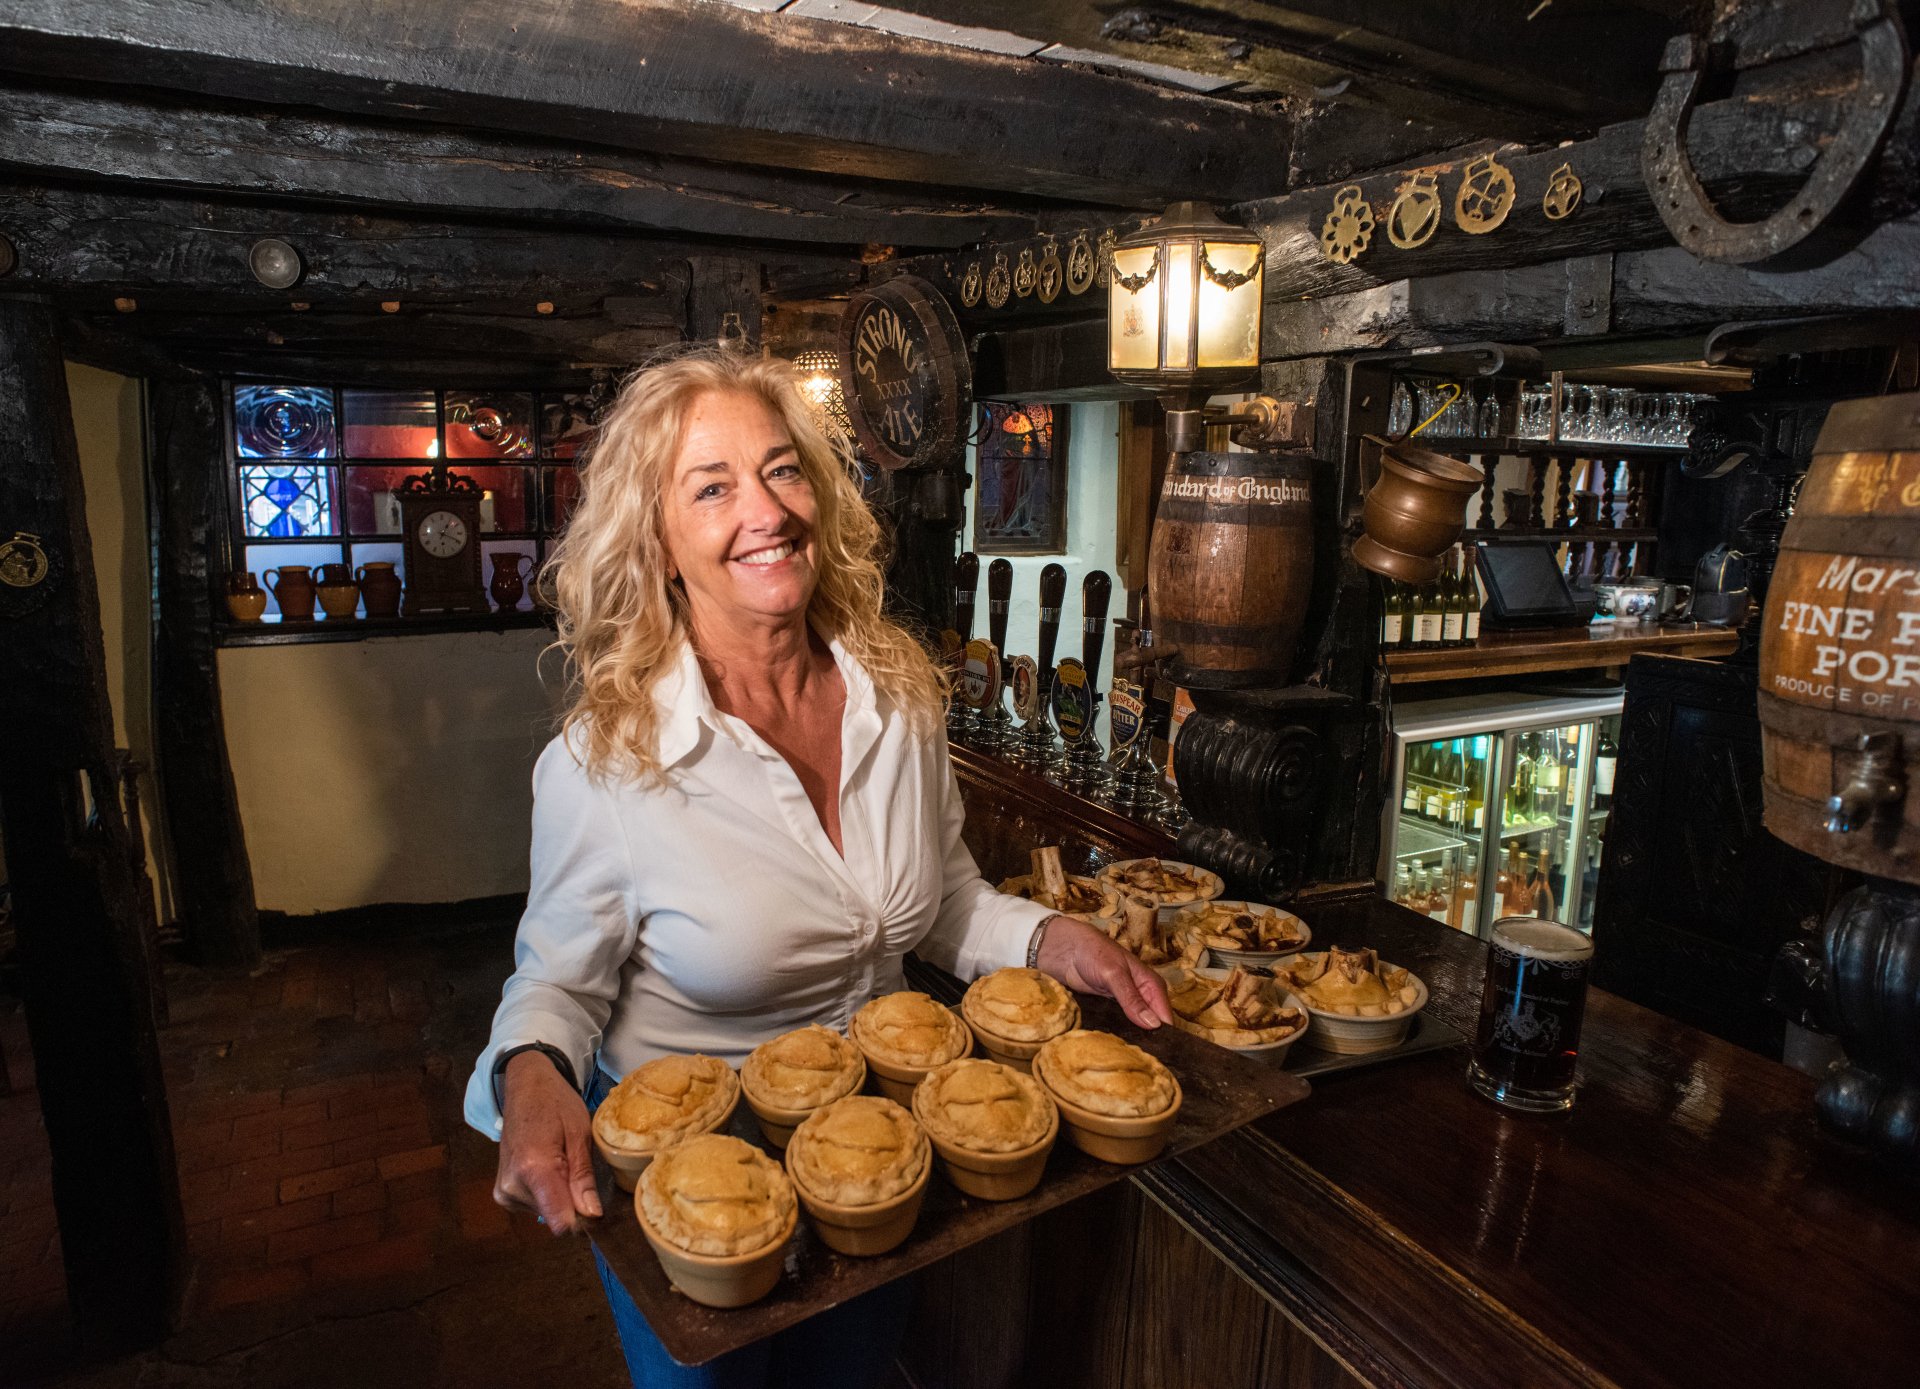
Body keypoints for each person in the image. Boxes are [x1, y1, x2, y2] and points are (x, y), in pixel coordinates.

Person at [463, 348, 1172, 1388]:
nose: (768, 510)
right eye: (712, 488)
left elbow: (945, 902)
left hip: (874, 1158)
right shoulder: (606, 762)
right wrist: (530, 1075)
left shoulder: (899, 699)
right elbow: (558, 982)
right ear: (659, 541)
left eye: (783, 470)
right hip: (696, 1188)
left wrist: (1050, 937)